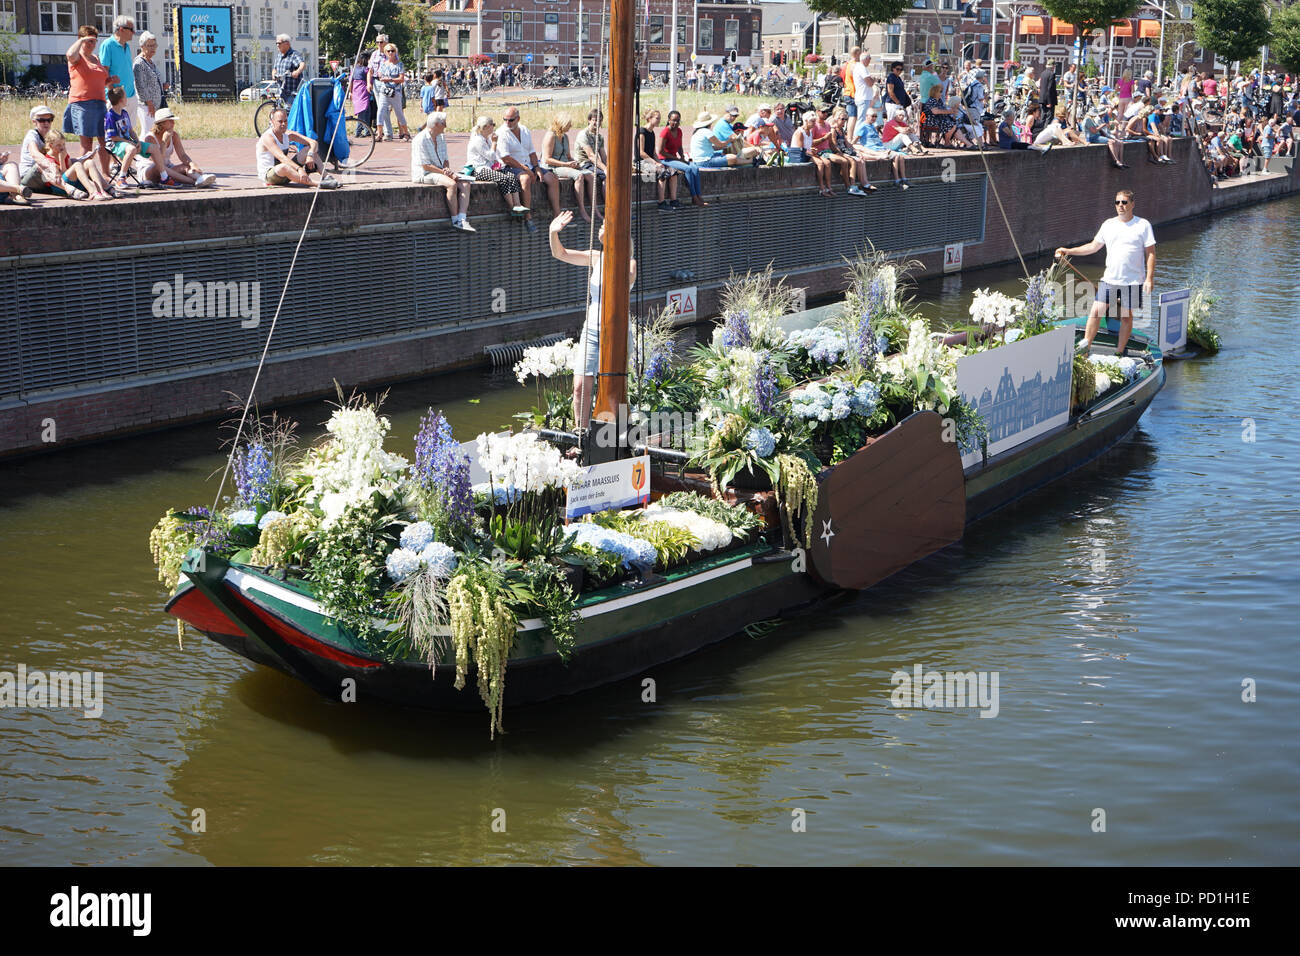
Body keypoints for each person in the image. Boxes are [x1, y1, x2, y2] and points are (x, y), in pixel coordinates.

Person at [548, 210, 636, 424]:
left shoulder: (629, 262)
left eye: (605, 225)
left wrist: (613, 245)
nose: (600, 227)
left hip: (616, 331)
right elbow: (560, 254)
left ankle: (617, 434)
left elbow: (621, 281)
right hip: (592, 330)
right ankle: (581, 436)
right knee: (579, 387)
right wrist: (553, 232)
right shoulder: (596, 257)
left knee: (614, 390)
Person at [1055, 188, 1155, 356]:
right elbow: (1093, 247)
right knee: (1095, 312)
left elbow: (1150, 253)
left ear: (1132, 204)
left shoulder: (1143, 225)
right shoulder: (1108, 225)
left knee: (1125, 317)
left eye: (1124, 202)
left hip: (1132, 282)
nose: (1120, 206)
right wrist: (1069, 251)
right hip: (1109, 279)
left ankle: (1119, 351)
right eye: (1117, 202)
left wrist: (1149, 279)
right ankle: (1086, 348)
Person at [412, 112, 474, 231]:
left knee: (465, 184)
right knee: (452, 184)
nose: (446, 125)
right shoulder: (420, 139)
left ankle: (462, 218)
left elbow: (445, 158)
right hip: (424, 173)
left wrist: (447, 169)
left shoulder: (441, 137)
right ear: (436, 125)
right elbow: (426, 166)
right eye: (443, 123)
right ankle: (455, 219)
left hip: (440, 171)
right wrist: (445, 173)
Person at [501, 106, 558, 232]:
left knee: (552, 178)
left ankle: (557, 215)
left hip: (529, 164)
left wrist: (537, 168)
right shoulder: (502, 133)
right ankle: (528, 217)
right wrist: (525, 169)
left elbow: (532, 152)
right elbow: (506, 158)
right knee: (525, 179)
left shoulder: (525, 130)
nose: (507, 123)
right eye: (505, 119)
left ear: (518, 119)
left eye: (511, 120)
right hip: (511, 167)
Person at [65, 25, 111, 177]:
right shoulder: (77, 57)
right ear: (80, 40)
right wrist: (81, 40)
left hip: (100, 103)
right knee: (87, 144)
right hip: (82, 104)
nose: (91, 45)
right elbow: (70, 54)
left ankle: (105, 173)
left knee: (105, 142)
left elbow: (98, 80)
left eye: (94, 41)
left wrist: (110, 81)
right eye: (88, 41)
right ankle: (83, 175)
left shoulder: (96, 58)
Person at [255, 107, 339, 188]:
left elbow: (313, 143)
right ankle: (319, 184)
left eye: (285, 121)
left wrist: (310, 155)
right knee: (284, 166)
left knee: (308, 150)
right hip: (270, 176)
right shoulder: (268, 137)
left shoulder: (288, 135)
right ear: (272, 122)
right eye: (280, 122)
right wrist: (299, 169)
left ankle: (327, 178)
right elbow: (282, 158)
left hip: (287, 174)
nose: (283, 124)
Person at [466, 115, 529, 222]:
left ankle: (518, 204)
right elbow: (490, 155)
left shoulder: (487, 139)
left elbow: (494, 157)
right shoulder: (477, 140)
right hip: (478, 169)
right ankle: (512, 207)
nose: (494, 127)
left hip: (489, 168)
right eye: (492, 124)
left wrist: (496, 163)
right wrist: (495, 142)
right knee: (503, 179)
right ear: (486, 127)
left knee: (511, 176)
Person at [541, 113, 596, 222]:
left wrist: (574, 162)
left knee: (590, 175)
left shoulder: (565, 136)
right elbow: (547, 159)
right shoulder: (551, 136)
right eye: (569, 124)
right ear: (563, 123)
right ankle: (582, 210)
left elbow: (568, 156)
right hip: (553, 167)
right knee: (579, 176)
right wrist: (566, 165)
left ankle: (595, 209)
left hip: (566, 164)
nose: (571, 126)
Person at [144, 108, 215, 186]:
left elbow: (182, 155)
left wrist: (192, 164)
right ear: (162, 123)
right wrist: (164, 141)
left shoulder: (174, 135)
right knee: (158, 167)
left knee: (186, 166)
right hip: (151, 171)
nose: (173, 123)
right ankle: (194, 182)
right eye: (170, 121)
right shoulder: (150, 138)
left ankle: (200, 178)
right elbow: (159, 161)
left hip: (168, 168)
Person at [656, 110, 706, 207]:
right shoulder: (665, 132)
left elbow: (679, 147)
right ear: (669, 120)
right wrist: (677, 159)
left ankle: (699, 196)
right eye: (673, 120)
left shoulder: (679, 131)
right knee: (687, 169)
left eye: (678, 121)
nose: (676, 123)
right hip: (665, 159)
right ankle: (694, 197)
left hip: (675, 158)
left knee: (694, 167)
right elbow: (661, 152)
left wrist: (682, 157)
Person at [98, 16, 137, 131]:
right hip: (116, 97)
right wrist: (112, 94)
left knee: (129, 131)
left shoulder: (127, 46)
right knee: (114, 132)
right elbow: (104, 71)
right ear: (121, 29)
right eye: (131, 29)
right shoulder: (107, 45)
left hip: (130, 95)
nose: (134, 32)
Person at [854, 108, 909, 188]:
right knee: (896, 156)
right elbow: (854, 141)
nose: (874, 118)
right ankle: (897, 180)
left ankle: (904, 179)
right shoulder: (863, 126)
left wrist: (884, 148)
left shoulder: (872, 126)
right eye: (872, 116)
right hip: (873, 149)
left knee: (900, 157)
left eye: (875, 116)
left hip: (880, 148)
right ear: (866, 116)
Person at [637, 109, 679, 209]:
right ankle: (661, 202)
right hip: (640, 162)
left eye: (659, 118)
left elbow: (653, 153)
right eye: (657, 118)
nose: (659, 120)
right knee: (662, 172)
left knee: (673, 172)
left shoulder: (652, 133)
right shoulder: (642, 132)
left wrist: (659, 162)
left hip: (651, 161)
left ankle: (673, 200)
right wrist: (656, 164)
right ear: (649, 118)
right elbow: (641, 153)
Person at [374, 43, 409, 142]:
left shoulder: (399, 64)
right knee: (380, 111)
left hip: (395, 92)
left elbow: (401, 79)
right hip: (384, 91)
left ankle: (406, 133)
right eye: (388, 51)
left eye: (392, 51)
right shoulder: (383, 64)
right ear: (385, 52)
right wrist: (382, 78)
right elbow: (380, 75)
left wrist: (390, 79)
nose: (390, 53)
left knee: (399, 113)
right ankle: (380, 134)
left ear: (395, 52)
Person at [132, 31, 164, 139]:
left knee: (153, 132)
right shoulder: (139, 63)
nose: (153, 48)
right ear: (142, 46)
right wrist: (149, 103)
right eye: (150, 46)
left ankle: (149, 154)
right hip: (146, 105)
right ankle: (143, 154)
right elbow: (140, 85)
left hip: (156, 104)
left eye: (154, 45)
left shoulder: (151, 61)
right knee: (148, 132)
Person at [273, 34, 306, 104]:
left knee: (289, 110)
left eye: (279, 43)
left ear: (287, 43)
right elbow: (274, 68)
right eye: (276, 43)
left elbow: (302, 64)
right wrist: (273, 74)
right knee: (278, 111)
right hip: (281, 91)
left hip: (292, 92)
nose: (277, 45)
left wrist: (297, 72)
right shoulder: (279, 56)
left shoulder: (294, 55)